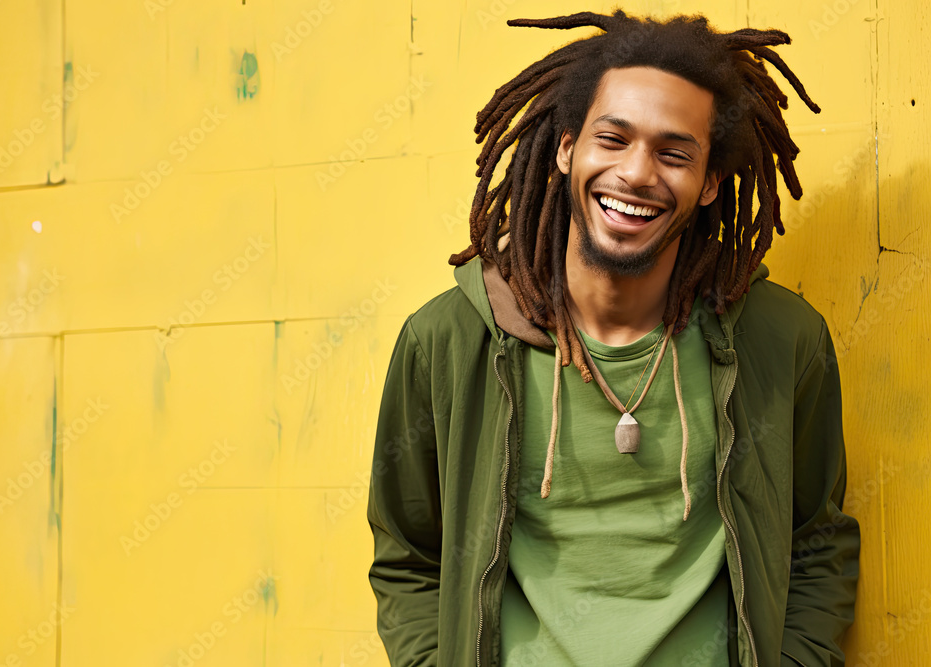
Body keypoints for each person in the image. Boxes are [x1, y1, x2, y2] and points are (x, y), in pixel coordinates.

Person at [366, 10, 860, 667]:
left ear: (711, 181)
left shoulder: (781, 341)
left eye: (674, 152)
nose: (636, 173)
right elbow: (409, 552)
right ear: (568, 146)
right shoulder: (450, 342)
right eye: (614, 138)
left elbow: (817, 538)